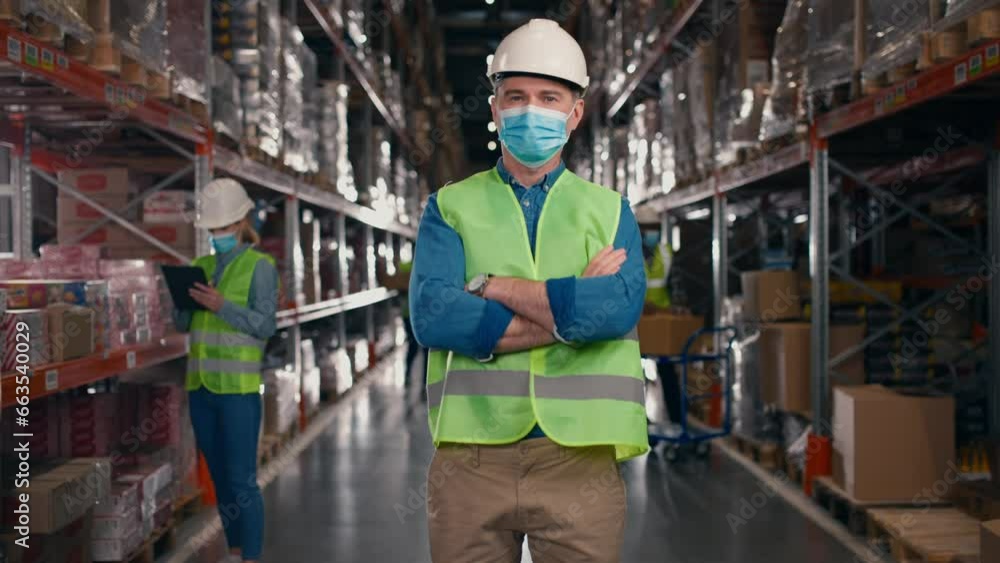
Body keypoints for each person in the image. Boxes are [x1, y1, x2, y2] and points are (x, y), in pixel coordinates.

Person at [409, 19, 648, 563]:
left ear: (575, 112)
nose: (530, 110)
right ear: (494, 108)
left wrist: (495, 287)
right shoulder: (449, 207)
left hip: (579, 461)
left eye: (548, 97)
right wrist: (567, 311)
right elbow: (435, 317)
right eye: (515, 96)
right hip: (470, 460)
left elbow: (615, 310)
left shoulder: (611, 211)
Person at [174, 178, 279, 563]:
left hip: (238, 391)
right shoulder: (199, 266)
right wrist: (182, 302)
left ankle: (250, 555)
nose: (216, 235)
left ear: (240, 223)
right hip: (200, 388)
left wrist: (223, 307)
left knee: (241, 480)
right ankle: (234, 551)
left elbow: (266, 325)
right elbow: (183, 324)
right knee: (219, 478)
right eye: (211, 229)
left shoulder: (260, 267)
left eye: (222, 228)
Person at [635, 207, 684, 426]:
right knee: (635, 375)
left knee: (668, 373)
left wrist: (677, 307)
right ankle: (639, 422)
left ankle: (677, 419)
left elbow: (676, 285)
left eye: (655, 228)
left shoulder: (666, 253)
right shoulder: (627, 253)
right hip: (634, 323)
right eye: (648, 229)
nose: (652, 233)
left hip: (660, 325)